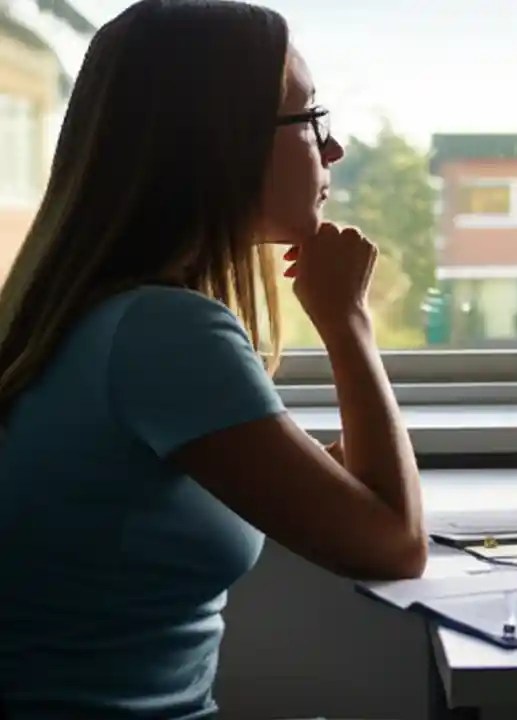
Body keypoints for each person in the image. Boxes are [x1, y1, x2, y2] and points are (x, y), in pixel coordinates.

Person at [0, 1, 427, 717]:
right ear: (222, 144)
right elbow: (394, 547)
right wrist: (347, 321)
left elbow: (336, 499)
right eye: (310, 118)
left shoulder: (102, 314)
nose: (333, 149)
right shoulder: (162, 332)